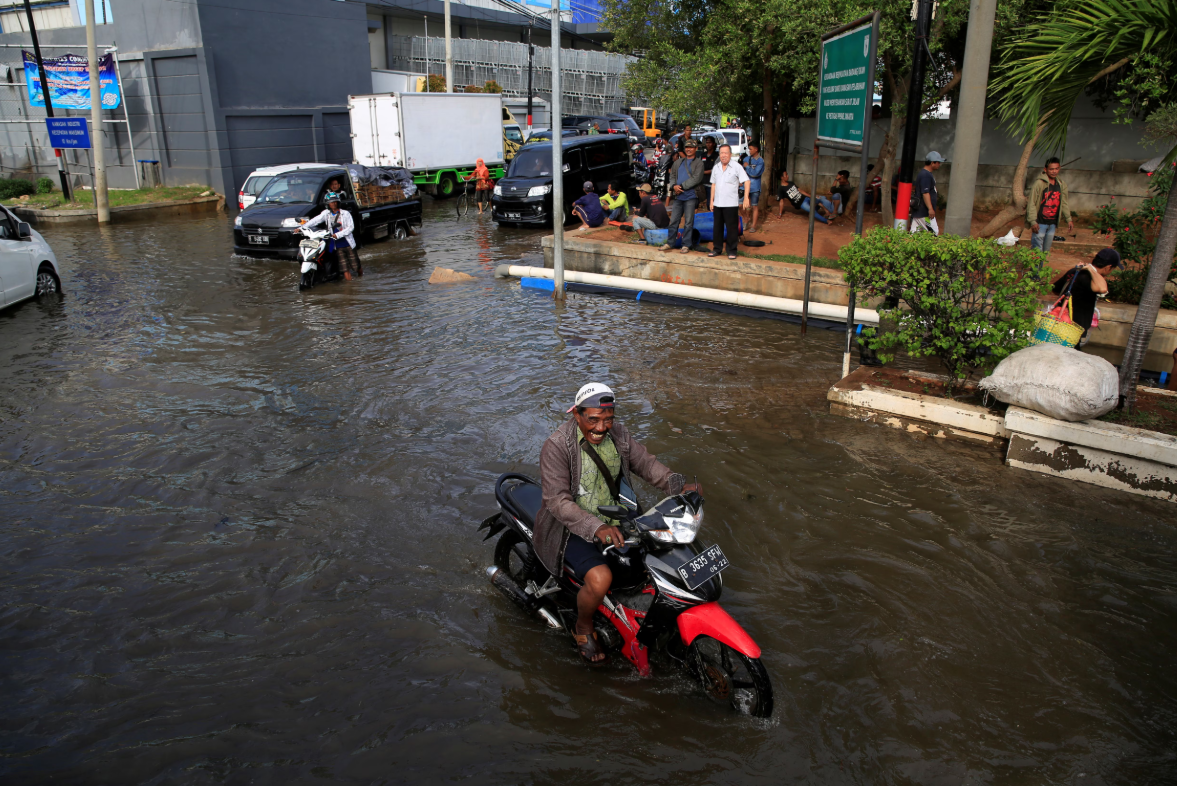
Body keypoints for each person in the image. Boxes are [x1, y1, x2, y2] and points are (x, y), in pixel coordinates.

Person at [534, 383, 696, 664]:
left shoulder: (619, 435)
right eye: (593, 419)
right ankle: (583, 626)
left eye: (607, 419)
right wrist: (595, 527)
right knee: (601, 578)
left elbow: (646, 464)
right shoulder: (557, 446)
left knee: (663, 548)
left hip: (617, 515)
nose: (601, 427)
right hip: (570, 527)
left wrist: (678, 486)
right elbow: (558, 501)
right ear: (577, 415)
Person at [1051, 248, 1120, 345]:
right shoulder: (1089, 277)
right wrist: (1091, 270)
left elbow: (1056, 289)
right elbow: (1103, 289)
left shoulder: (1075, 270)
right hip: (1074, 327)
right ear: (1108, 267)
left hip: (1059, 322)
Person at [300, 191, 362, 279]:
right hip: (337, 246)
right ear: (328, 204)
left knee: (356, 266)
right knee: (345, 269)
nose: (333, 204)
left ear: (338, 202)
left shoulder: (345, 213)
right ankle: (350, 287)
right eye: (331, 202)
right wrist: (302, 227)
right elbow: (315, 220)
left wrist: (338, 235)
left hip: (348, 244)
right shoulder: (326, 213)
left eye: (335, 202)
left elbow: (350, 228)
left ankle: (361, 277)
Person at [663, 138, 705, 253]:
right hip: (678, 197)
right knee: (673, 221)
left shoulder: (699, 163)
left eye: (691, 147)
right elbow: (672, 177)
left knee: (688, 222)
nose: (689, 149)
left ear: (696, 149)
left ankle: (686, 244)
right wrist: (673, 186)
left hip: (691, 196)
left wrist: (680, 186)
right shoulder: (678, 162)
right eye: (687, 147)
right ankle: (670, 242)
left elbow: (696, 178)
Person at [709, 144, 749, 260]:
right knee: (717, 227)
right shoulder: (716, 167)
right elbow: (713, 185)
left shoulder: (737, 167)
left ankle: (732, 250)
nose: (723, 155)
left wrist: (746, 197)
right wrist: (711, 201)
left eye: (726, 153)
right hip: (718, 203)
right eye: (721, 153)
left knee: (731, 228)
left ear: (730, 154)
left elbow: (746, 181)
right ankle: (717, 249)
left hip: (731, 204)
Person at [1027, 156, 1074, 255]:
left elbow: (1064, 202)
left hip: (1052, 224)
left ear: (1059, 168)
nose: (1054, 171)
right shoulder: (1039, 184)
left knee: (1045, 252)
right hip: (1040, 223)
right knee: (1037, 251)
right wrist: (1032, 221)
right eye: (1051, 169)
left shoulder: (1061, 184)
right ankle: (1035, 271)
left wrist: (1068, 219)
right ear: (1045, 169)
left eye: (1056, 169)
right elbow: (1032, 203)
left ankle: (1041, 270)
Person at [910, 151, 945, 234]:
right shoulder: (926, 175)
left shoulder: (926, 174)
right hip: (924, 212)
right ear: (932, 163)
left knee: (914, 234)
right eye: (938, 162)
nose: (939, 164)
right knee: (934, 233)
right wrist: (930, 209)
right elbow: (925, 193)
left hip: (920, 211)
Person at [741, 141, 764, 233]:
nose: (749, 151)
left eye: (750, 149)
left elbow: (755, 174)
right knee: (740, 205)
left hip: (755, 187)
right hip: (744, 186)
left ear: (756, 149)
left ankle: (753, 225)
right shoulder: (746, 159)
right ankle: (746, 219)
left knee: (754, 206)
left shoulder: (760, 161)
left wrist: (747, 167)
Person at [699, 136, 719, 208]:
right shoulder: (702, 155)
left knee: (710, 204)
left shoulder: (717, 156)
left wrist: (703, 172)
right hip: (702, 183)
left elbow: (715, 170)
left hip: (711, 184)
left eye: (710, 142)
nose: (708, 144)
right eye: (707, 143)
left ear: (713, 144)